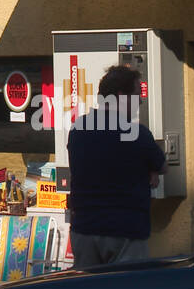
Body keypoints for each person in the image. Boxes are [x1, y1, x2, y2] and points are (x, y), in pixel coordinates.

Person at [66, 64, 165, 269]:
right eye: (137, 95)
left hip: (84, 229)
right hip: (125, 231)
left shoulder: (78, 130)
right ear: (121, 96)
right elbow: (164, 167)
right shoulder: (137, 134)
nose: (140, 101)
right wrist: (152, 169)